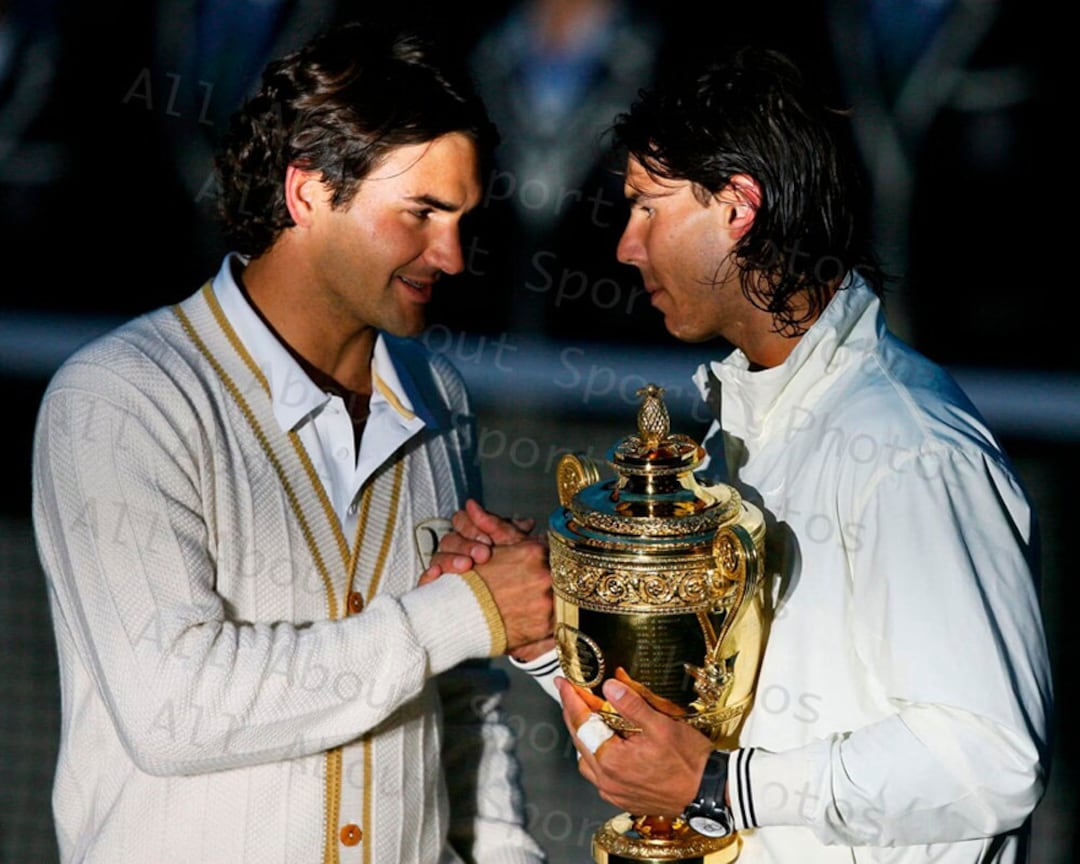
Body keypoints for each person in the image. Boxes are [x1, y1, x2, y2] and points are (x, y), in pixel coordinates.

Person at [434, 45, 1054, 862]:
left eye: (648, 208)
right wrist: (551, 635)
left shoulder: (909, 448)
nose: (626, 246)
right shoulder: (742, 436)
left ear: (738, 207)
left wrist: (722, 786)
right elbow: (686, 746)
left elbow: (991, 762)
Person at [30, 19, 554, 864]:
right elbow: (175, 707)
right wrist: (464, 612)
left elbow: (464, 701)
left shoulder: (439, 395)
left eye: (462, 219)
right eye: (421, 213)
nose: (452, 256)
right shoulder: (121, 396)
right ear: (308, 193)